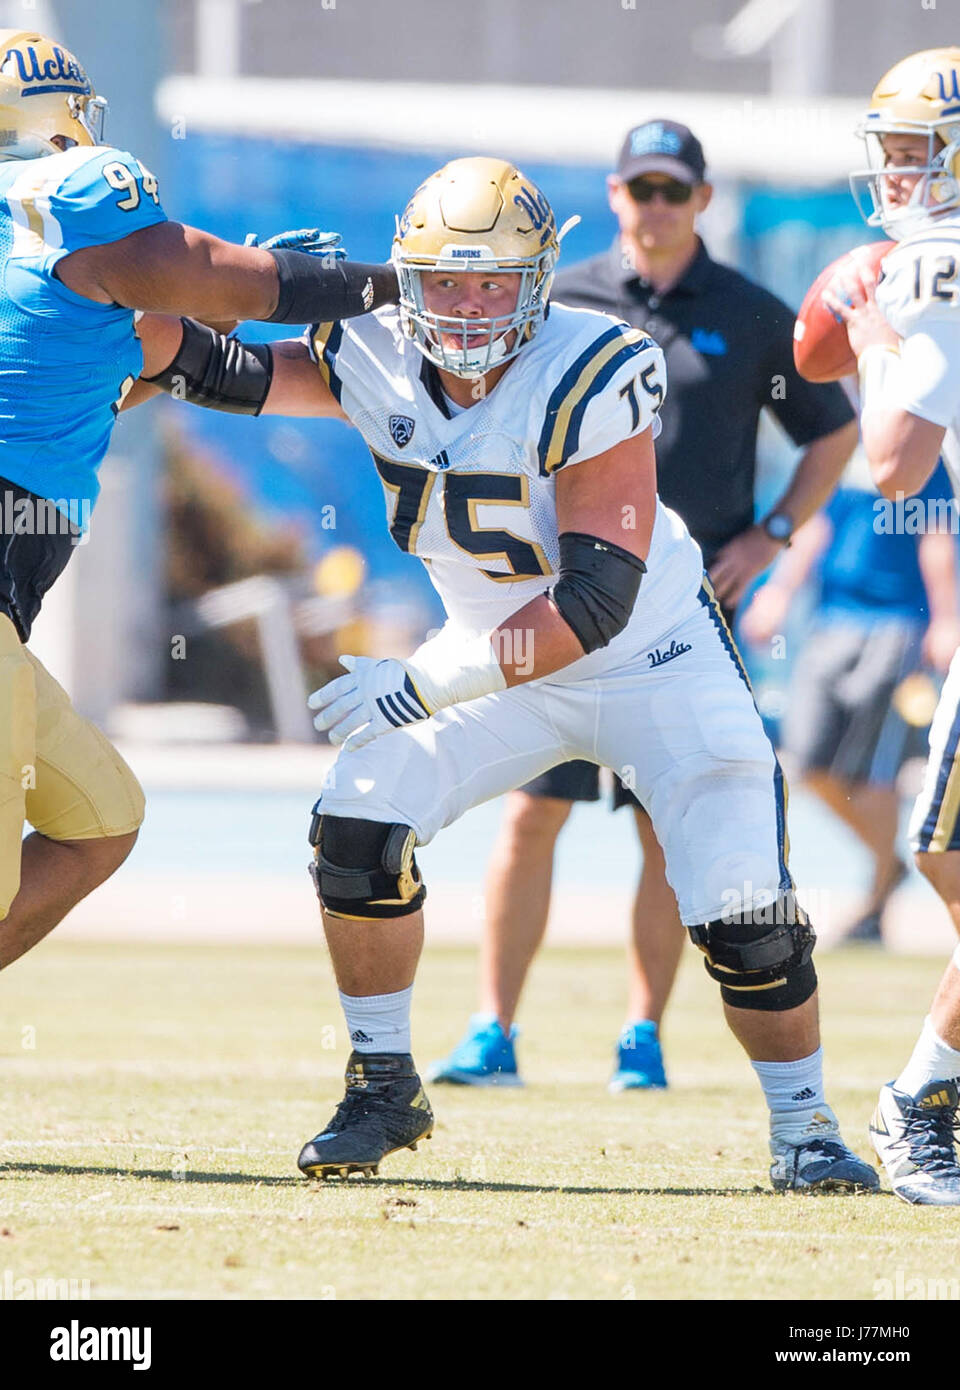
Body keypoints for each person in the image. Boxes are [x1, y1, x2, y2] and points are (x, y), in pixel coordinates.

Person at [136, 155, 877, 1193]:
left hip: (650, 659)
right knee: (356, 818)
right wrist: (110, 331)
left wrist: (426, 685)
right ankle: (384, 1083)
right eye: (448, 280)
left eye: (495, 281)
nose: (472, 305)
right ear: (409, 278)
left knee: (745, 914)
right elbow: (228, 371)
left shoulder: (594, 361)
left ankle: (805, 1128)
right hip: (489, 646)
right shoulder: (370, 345)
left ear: (541, 281)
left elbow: (593, 601)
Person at [427, 121, 857, 1092]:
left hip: (680, 625)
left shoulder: (751, 315)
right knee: (532, 817)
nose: (656, 206)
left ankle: (641, 1035)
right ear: (614, 194)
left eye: (674, 189)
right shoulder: (558, 299)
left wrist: (771, 536)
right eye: (639, 188)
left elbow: (832, 433)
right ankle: (493, 1030)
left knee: (663, 827)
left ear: (702, 199)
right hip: (568, 607)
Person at [0, 26, 396, 978]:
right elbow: (236, 282)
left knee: (98, 820)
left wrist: (224, 306)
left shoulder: (49, 288)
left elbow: (136, 360)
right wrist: (420, 286)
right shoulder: (71, 190)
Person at [827, 45, 960, 1202]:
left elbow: (887, 461)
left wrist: (871, 347)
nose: (900, 176)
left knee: (946, 854)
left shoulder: (928, 268)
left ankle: (921, 1095)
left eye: (920, 153)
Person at [741, 456, 960, 943]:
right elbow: (817, 524)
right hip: (829, 620)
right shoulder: (845, 445)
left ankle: (877, 898)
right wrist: (778, 593)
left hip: (897, 626)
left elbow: (937, 536)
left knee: (872, 774)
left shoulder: (921, 450)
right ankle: (890, 866)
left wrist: (946, 617)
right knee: (807, 762)